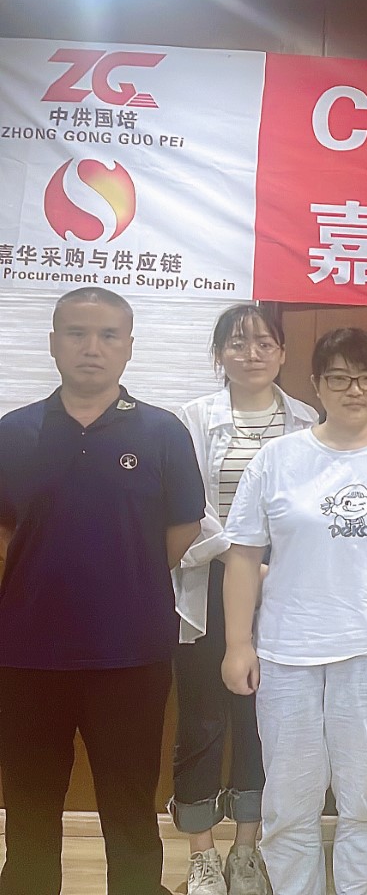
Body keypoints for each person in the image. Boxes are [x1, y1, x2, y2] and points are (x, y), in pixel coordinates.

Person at [222, 327, 367, 895]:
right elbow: (244, 556)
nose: (355, 390)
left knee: (365, 795)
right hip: (287, 651)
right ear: (316, 384)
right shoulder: (278, 459)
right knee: (289, 797)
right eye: (340, 378)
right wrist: (237, 643)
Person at [0, 287, 204, 895]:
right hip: (27, 654)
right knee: (29, 806)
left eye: (108, 335)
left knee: (130, 808)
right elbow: (4, 532)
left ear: (129, 346)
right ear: (53, 343)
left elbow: (183, 527)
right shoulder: (14, 432)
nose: (92, 347)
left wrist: (124, 576)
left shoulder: (163, 432)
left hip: (131, 654)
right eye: (77, 333)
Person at [171, 304, 319, 895]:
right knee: (203, 717)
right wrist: (241, 554)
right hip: (209, 584)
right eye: (237, 344)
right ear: (218, 355)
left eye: (263, 343)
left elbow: (310, 507)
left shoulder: (306, 420)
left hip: (285, 586)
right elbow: (187, 504)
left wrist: (269, 561)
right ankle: (202, 854)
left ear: (282, 353)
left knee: (266, 718)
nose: (251, 354)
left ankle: (247, 850)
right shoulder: (191, 419)